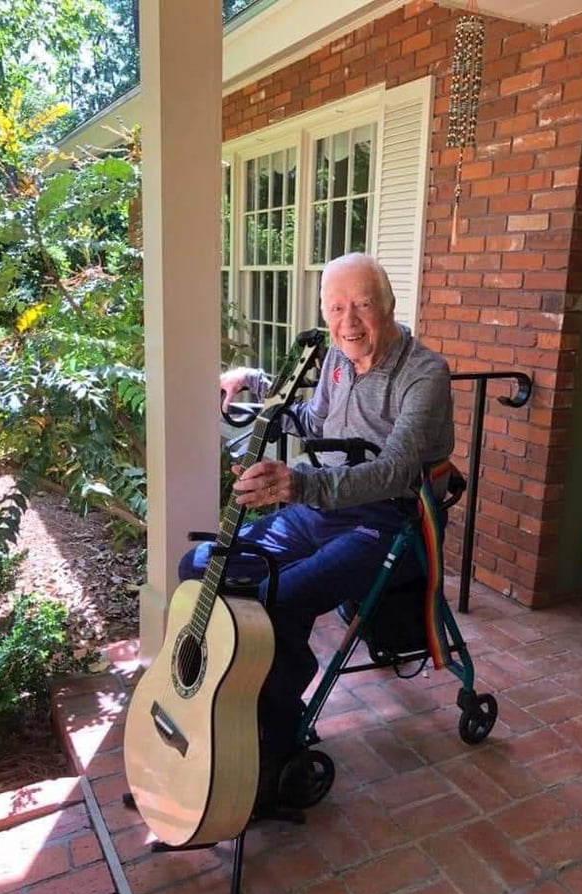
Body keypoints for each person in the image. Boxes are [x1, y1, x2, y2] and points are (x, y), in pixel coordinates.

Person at [178, 252, 454, 814]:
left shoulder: (424, 372)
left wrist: (298, 485)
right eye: (335, 307)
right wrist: (256, 386)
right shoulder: (334, 360)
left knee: (281, 595)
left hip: (390, 520)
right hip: (322, 510)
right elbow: (314, 421)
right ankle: (240, 711)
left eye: (362, 304)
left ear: (388, 303)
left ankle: (276, 748)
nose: (348, 320)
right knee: (205, 567)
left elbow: (394, 471)